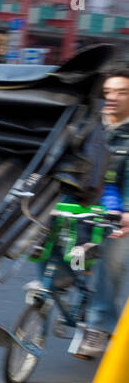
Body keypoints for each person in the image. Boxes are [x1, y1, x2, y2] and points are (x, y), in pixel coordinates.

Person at [76, 68, 129, 355]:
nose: (113, 97)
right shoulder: (87, 124)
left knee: (112, 258)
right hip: (80, 199)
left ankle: (99, 325)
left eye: (122, 92)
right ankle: (60, 283)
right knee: (48, 242)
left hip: (116, 206)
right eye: (108, 91)